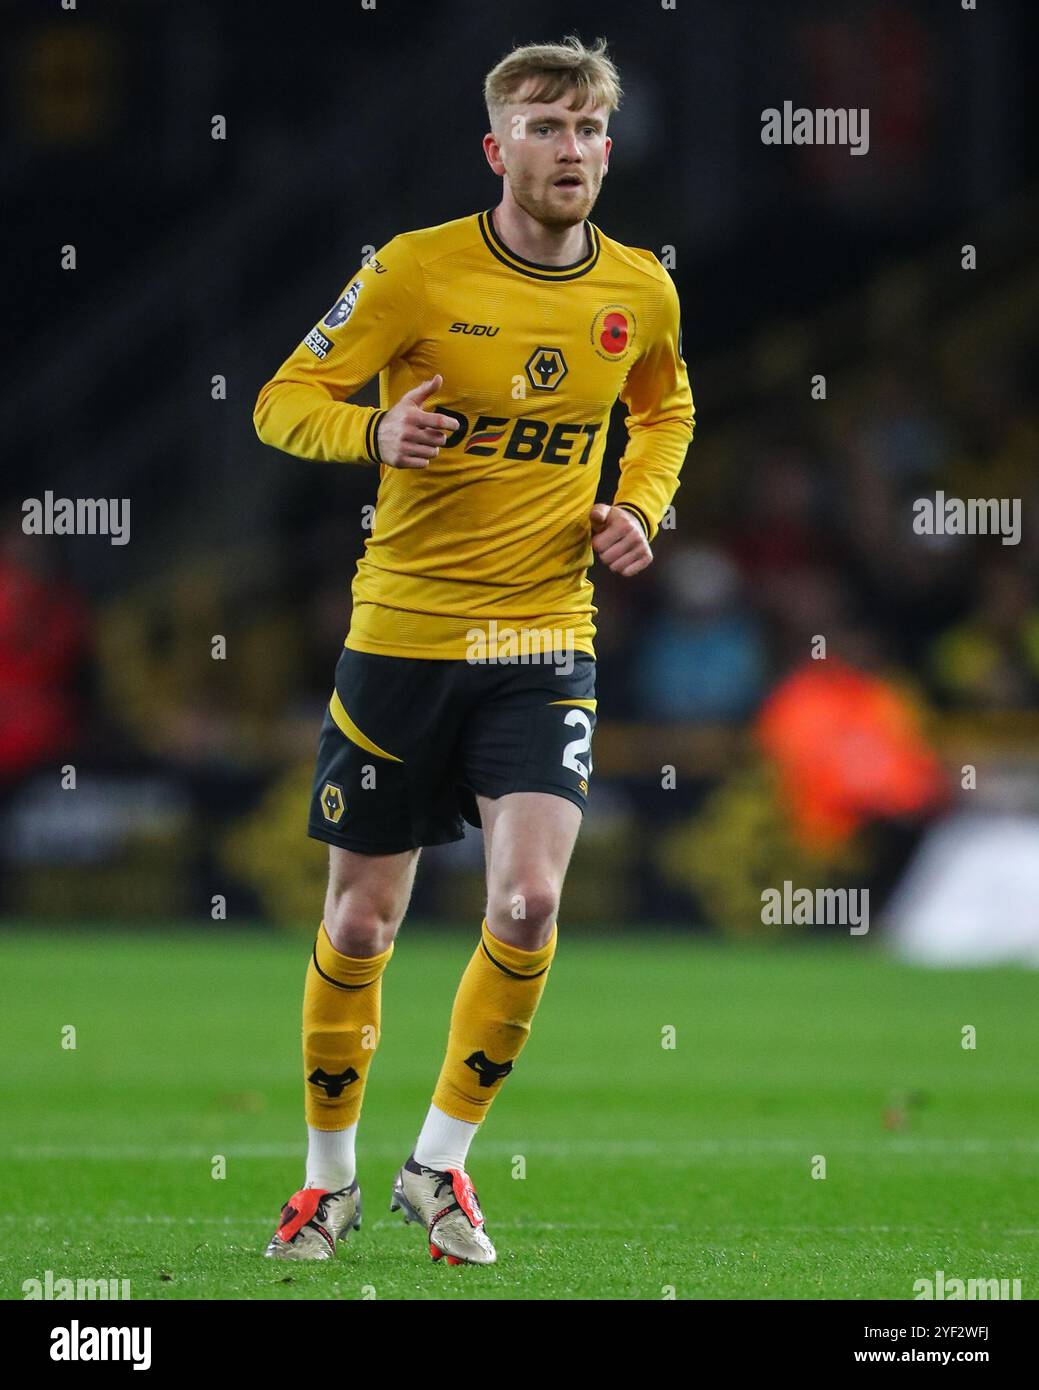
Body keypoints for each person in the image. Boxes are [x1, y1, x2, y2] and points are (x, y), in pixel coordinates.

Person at [252, 34, 694, 1266]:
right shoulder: (409, 272)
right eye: (547, 129)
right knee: (357, 927)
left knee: (531, 898)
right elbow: (280, 396)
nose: (573, 151)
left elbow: (667, 408)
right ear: (497, 150)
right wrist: (371, 431)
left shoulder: (638, 292)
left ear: (609, 148)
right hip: (402, 631)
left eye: (590, 130)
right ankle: (324, 1181)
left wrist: (639, 508)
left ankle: (438, 1165)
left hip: (545, 637)